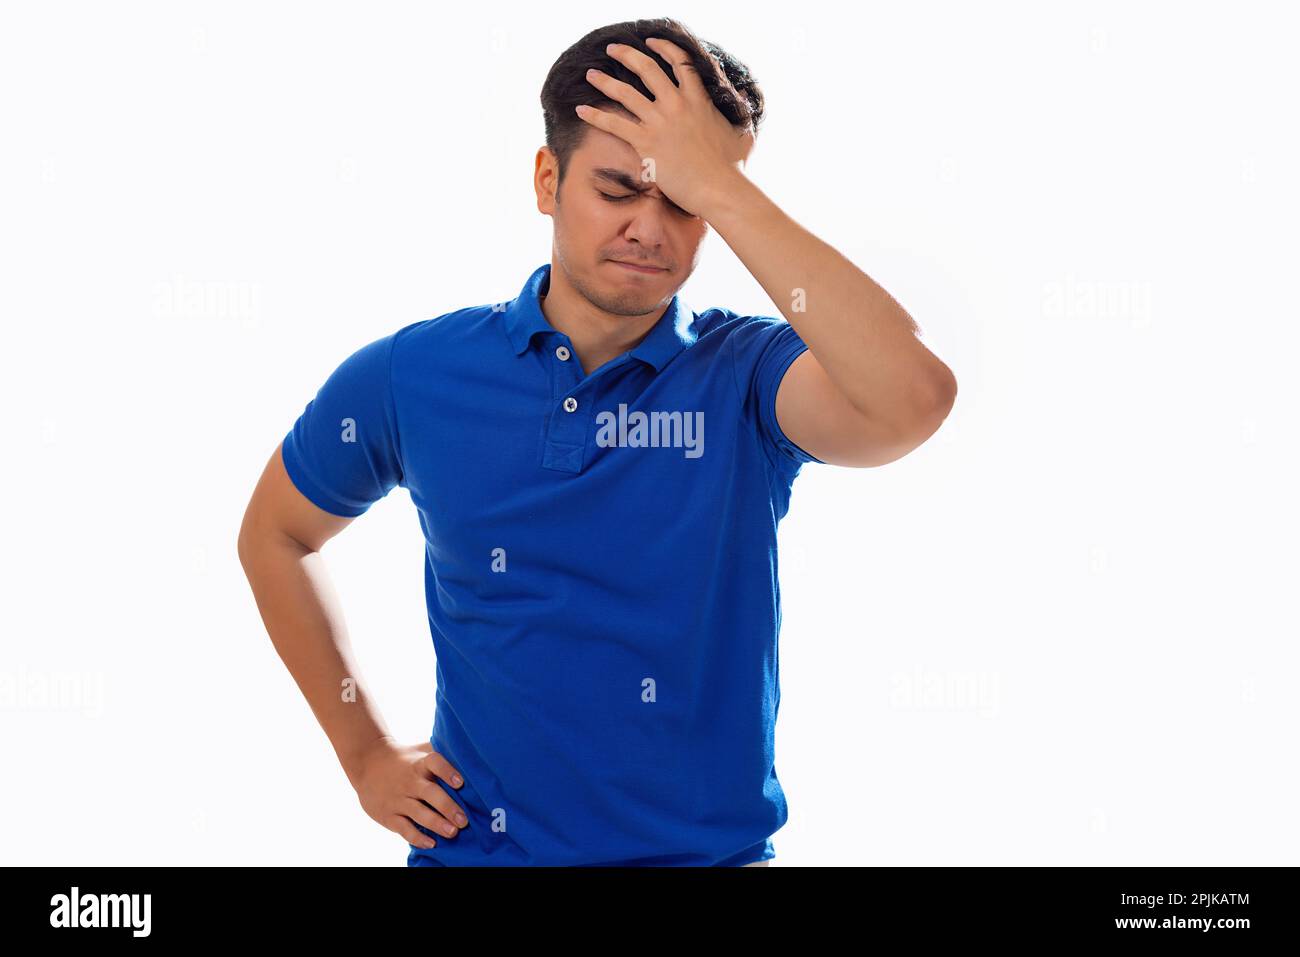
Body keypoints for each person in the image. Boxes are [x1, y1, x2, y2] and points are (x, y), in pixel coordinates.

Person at [237, 17, 956, 867]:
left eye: (684, 199)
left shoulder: (750, 376)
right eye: (619, 189)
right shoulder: (413, 375)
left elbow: (911, 398)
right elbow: (275, 533)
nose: (652, 229)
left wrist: (721, 185)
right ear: (547, 179)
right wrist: (363, 755)